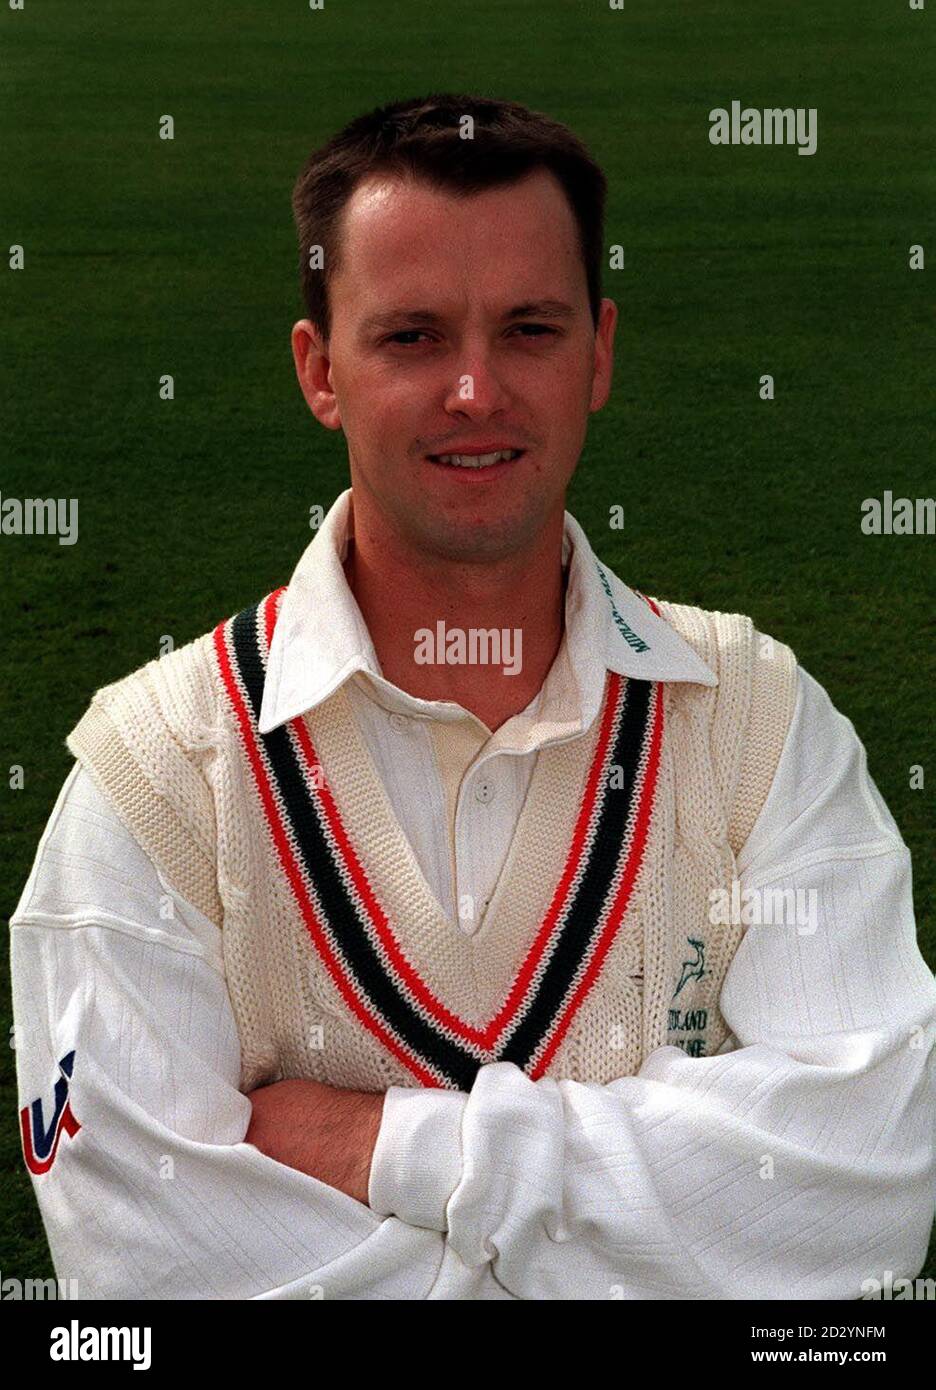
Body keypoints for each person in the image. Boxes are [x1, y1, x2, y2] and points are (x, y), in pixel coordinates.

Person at [11, 94, 936, 1301]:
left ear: (599, 352)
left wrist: (381, 1144)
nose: (474, 391)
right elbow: (151, 1273)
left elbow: (866, 1189)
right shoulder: (157, 773)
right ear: (318, 370)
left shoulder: (760, 722)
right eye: (411, 337)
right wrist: (653, 1201)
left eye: (530, 330)